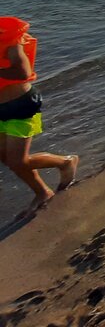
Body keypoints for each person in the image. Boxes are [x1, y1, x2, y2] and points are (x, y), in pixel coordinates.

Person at [0, 17, 77, 217]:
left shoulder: (8, 38)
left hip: (19, 105)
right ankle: (43, 192)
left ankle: (65, 162)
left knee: (18, 161)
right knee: (7, 159)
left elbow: (22, 71)